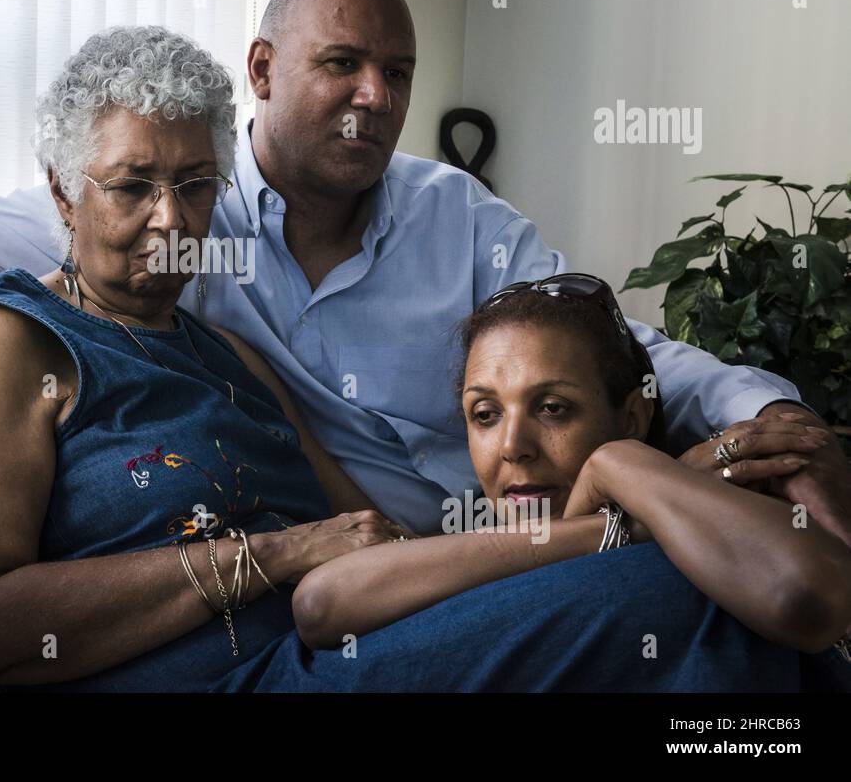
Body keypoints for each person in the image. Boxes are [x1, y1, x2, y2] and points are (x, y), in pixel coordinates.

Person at [0, 0, 849, 547]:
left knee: (740, 569)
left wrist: (766, 405)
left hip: (517, 525)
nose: (374, 97)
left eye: (396, 72)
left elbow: (623, 337)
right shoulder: (178, 217)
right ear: (264, 72)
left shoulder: (456, 218)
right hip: (393, 575)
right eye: (341, 63)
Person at [0, 24, 827, 692]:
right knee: (684, 595)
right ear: (61, 193)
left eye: (196, 186)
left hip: (342, 648)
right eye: (131, 187)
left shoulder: (229, 351)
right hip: (238, 682)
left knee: (704, 588)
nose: (172, 219)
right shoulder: (14, 341)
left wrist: (630, 493)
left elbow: (382, 549)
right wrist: (273, 554)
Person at [289, 273, 851, 683]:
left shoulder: (718, 526)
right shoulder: (461, 554)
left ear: (632, 417)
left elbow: (808, 598)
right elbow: (321, 606)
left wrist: (624, 465)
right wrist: (613, 523)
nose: (512, 448)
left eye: (553, 408)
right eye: (485, 415)